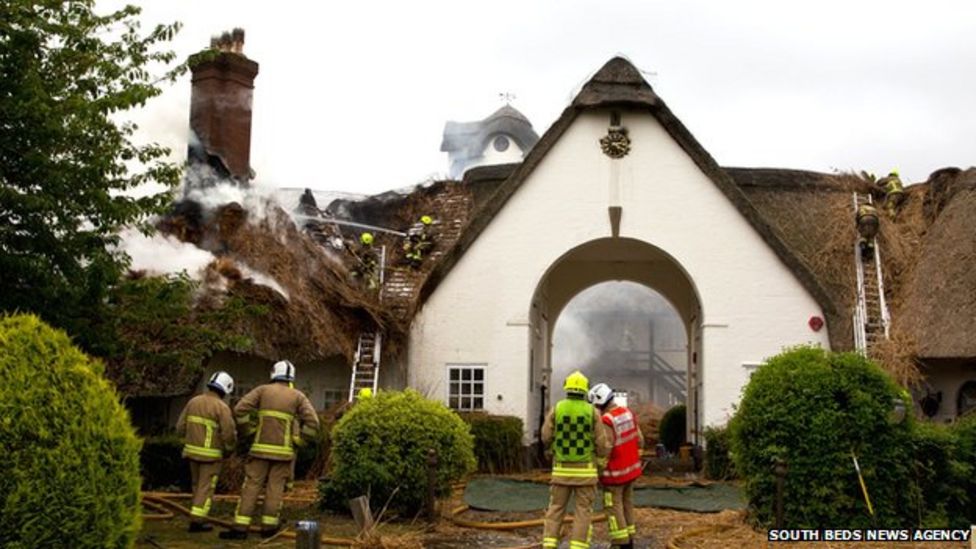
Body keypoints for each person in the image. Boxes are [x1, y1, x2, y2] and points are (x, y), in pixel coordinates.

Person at [220, 360, 320, 540]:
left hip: (259, 451)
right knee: (275, 490)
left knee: (251, 487)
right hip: (283, 453)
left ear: (274, 373)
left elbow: (239, 409)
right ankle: (269, 527)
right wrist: (300, 441)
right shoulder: (298, 396)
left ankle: (240, 528)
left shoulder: (262, 390)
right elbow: (313, 422)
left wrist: (249, 431)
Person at [541, 371, 611, 549]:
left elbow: (545, 437)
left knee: (556, 509)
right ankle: (578, 546)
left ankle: (549, 545)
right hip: (585, 473)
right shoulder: (592, 411)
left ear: (567, 388)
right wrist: (602, 459)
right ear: (584, 390)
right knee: (583, 512)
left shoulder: (557, 408)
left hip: (561, 471)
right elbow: (601, 444)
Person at [175, 371, 237, 533]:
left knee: (196, 486)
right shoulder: (222, 407)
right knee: (206, 487)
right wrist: (229, 450)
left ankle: (196, 515)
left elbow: (180, 427)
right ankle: (197, 521)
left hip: (191, 452)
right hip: (211, 456)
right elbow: (229, 433)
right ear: (224, 390)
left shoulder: (193, 402)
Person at [588, 383, 643, 549]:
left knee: (613, 507)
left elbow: (605, 448)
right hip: (631, 472)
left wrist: (597, 472)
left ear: (600, 402)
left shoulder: (607, 420)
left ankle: (620, 542)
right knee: (627, 504)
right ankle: (630, 538)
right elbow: (640, 440)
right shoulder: (628, 413)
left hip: (615, 475)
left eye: (595, 405)